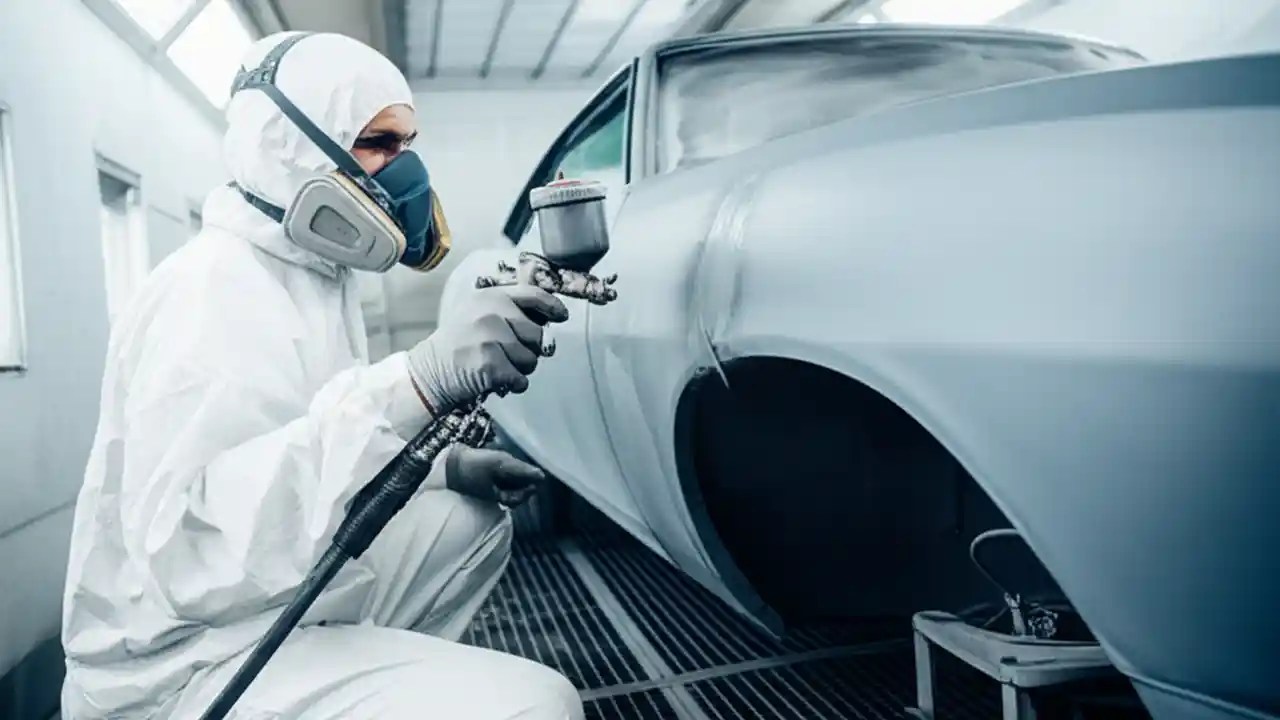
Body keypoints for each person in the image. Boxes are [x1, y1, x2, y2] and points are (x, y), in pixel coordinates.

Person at [60, 32, 583, 719]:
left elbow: (306, 443)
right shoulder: (208, 291)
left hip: (262, 602)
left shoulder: (313, 276)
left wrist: (442, 469)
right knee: (538, 705)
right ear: (294, 149)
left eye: (407, 144)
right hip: (183, 663)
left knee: (469, 522)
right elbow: (189, 554)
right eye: (380, 144)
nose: (406, 171)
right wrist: (417, 381)